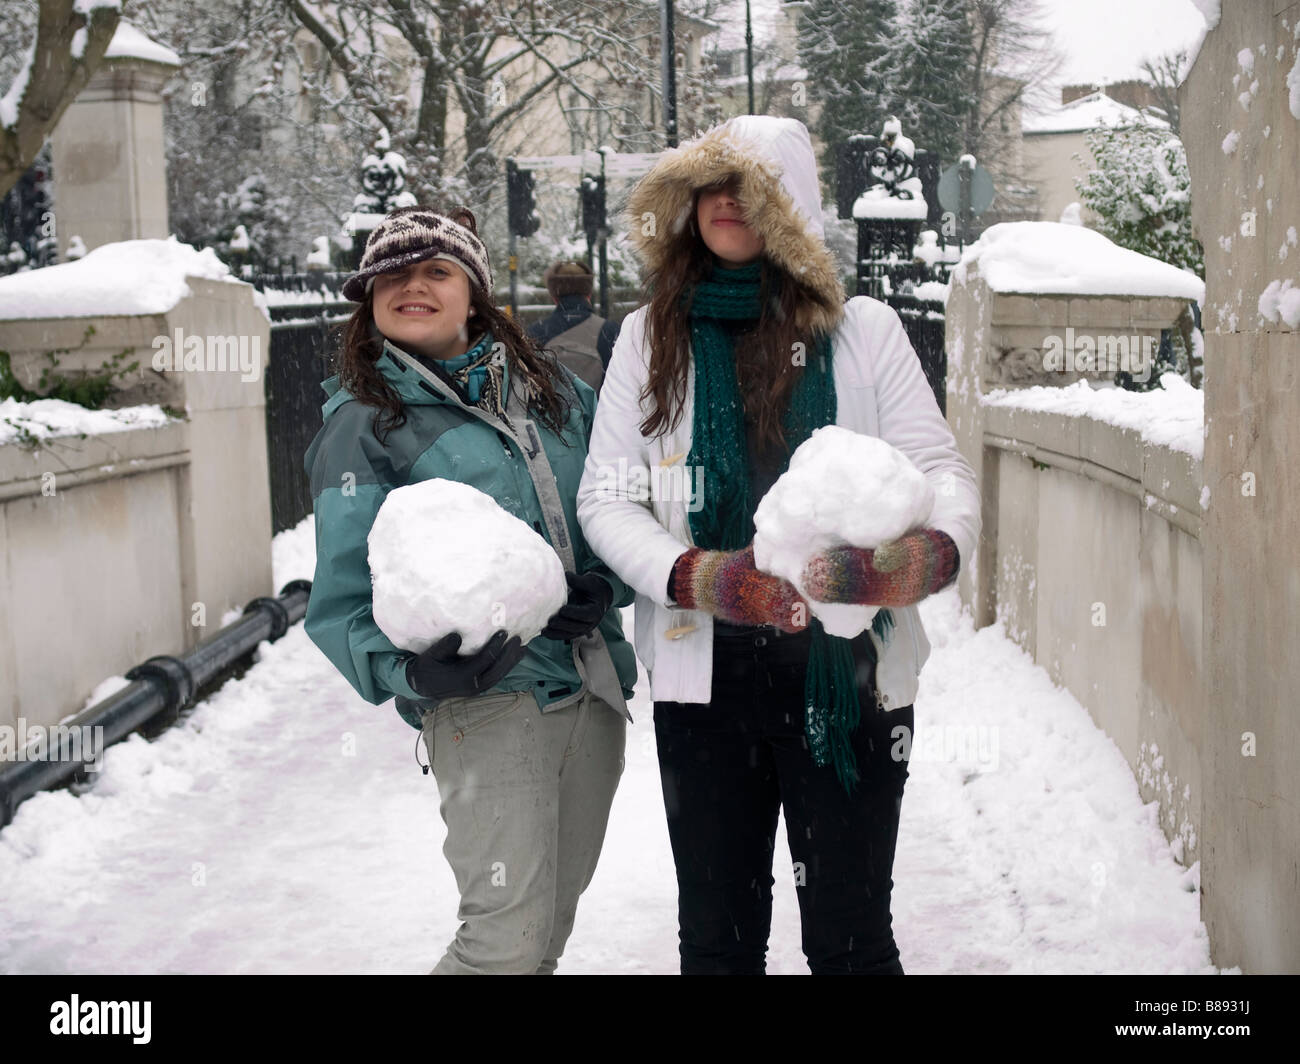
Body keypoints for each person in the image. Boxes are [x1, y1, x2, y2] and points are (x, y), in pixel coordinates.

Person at [575, 115, 981, 974]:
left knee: (852, 940)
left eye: (750, 184)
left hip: (850, 674)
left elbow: (943, 472)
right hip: (704, 683)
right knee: (716, 944)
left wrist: (920, 560)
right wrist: (706, 579)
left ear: (789, 202)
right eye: (709, 184)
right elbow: (607, 499)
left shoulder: (863, 330)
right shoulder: (653, 336)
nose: (726, 201)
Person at [302, 205, 638, 975]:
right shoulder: (363, 426)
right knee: (502, 943)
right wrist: (412, 673)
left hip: (591, 688)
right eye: (392, 273)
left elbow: (615, 504)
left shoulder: (555, 391)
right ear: (369, 297)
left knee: (545, 934)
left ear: (474, 292)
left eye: (435, 270)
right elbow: (341, 598)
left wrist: (606, 582)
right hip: (488, 702)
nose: (411, 285)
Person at [526, 260, 622, 394]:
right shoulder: (611, 331)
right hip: (600, 413)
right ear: (588, 294)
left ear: (554, 296)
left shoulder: (534, 333)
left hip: (551, 413)